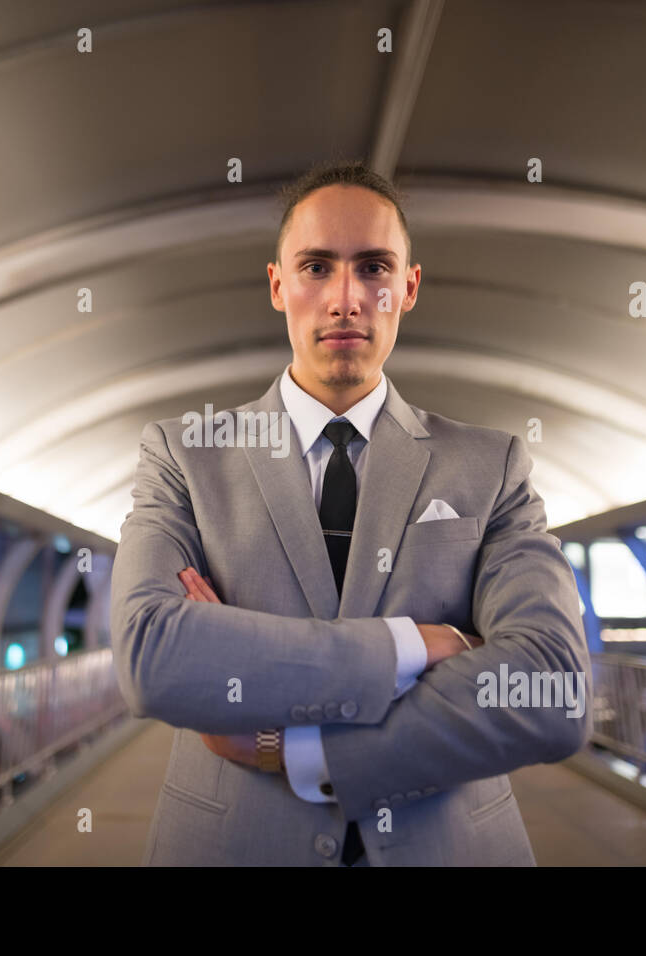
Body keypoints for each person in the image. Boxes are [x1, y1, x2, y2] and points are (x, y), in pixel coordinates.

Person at [110, 159, 591, 866]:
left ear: (409, 287)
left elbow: (550, 686)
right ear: (278, 285)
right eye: (315, 267)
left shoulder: (492, 467)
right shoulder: (185, 456)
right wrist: (412, 648)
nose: (345, 299)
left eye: (373, 268)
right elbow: (153, 656)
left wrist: (294, 745)